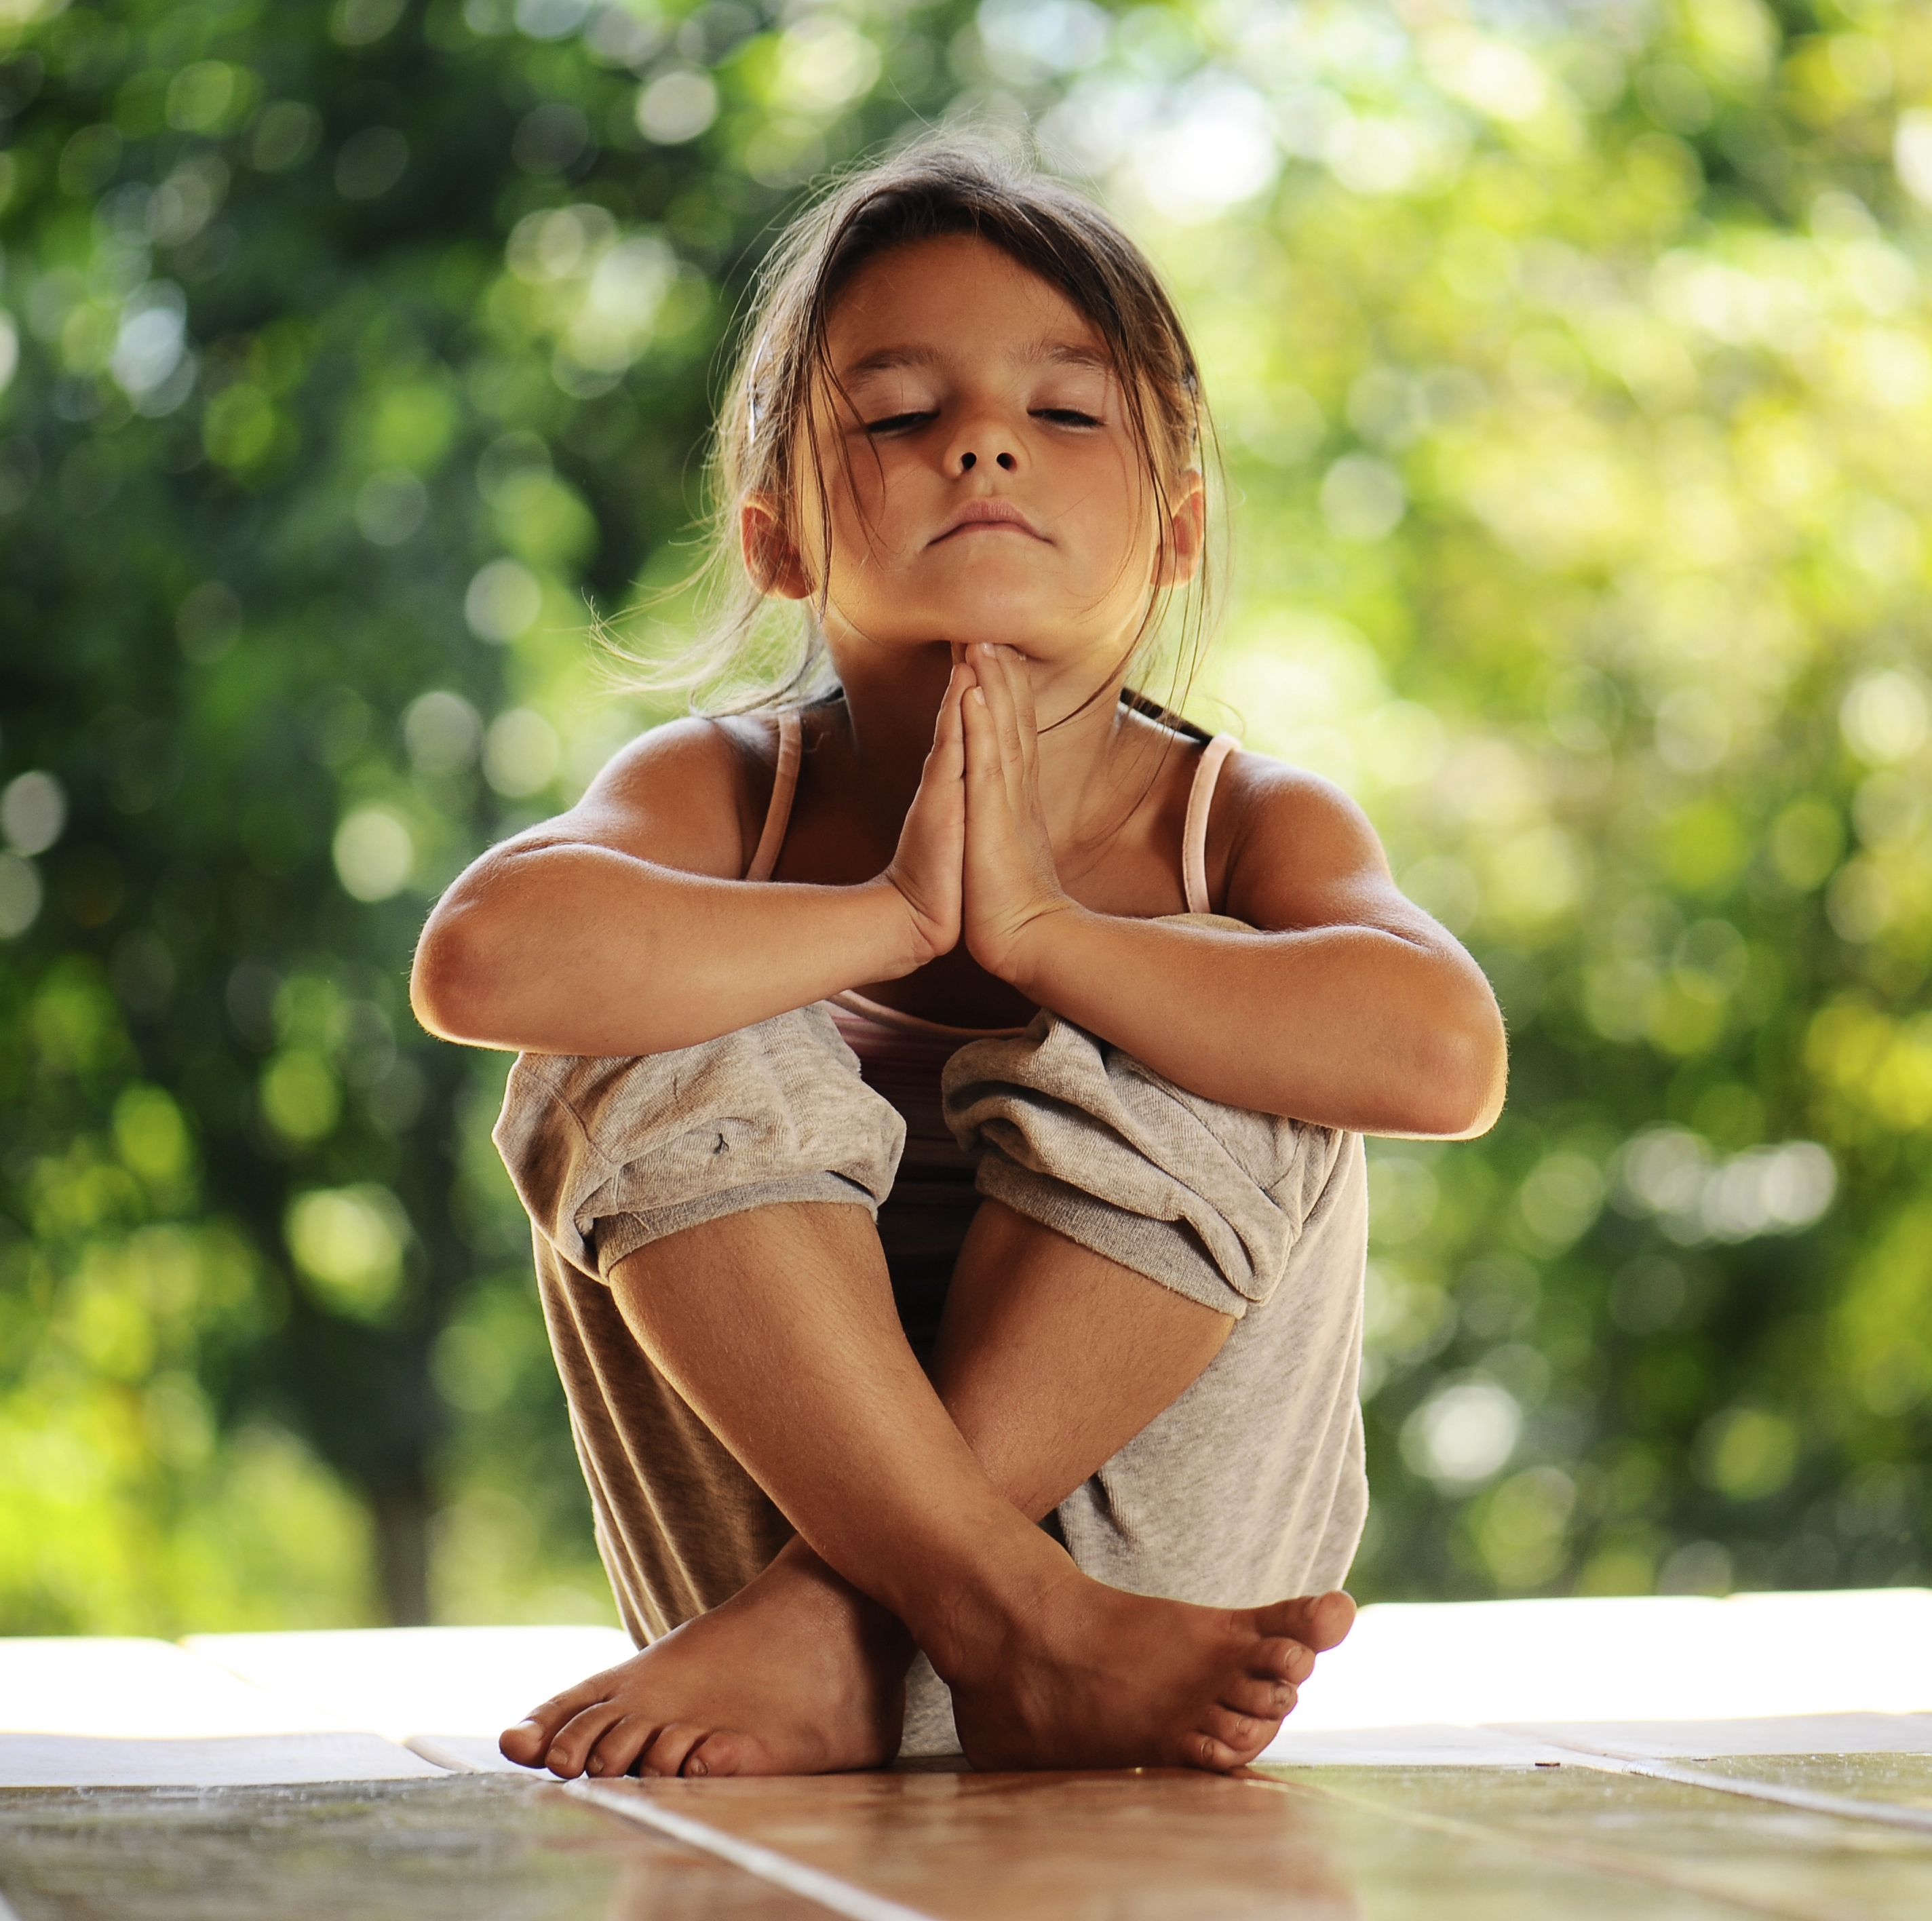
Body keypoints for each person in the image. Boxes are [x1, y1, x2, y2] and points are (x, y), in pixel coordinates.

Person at [410, 134, 1506, 1783]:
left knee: (1246, 1001)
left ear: (1176, 529)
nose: (983, 442)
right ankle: (984, 1612)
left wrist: (1054, 940)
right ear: (775, 538)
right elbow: (480, 965)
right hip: (780, 1665)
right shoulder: (721, 794)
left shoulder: (1244, 823)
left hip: (1135, 1607)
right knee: (620, 1000)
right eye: (900, 415)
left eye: (1063, 415)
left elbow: (1442, 1058)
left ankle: (889, 1616)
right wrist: (892, 920)